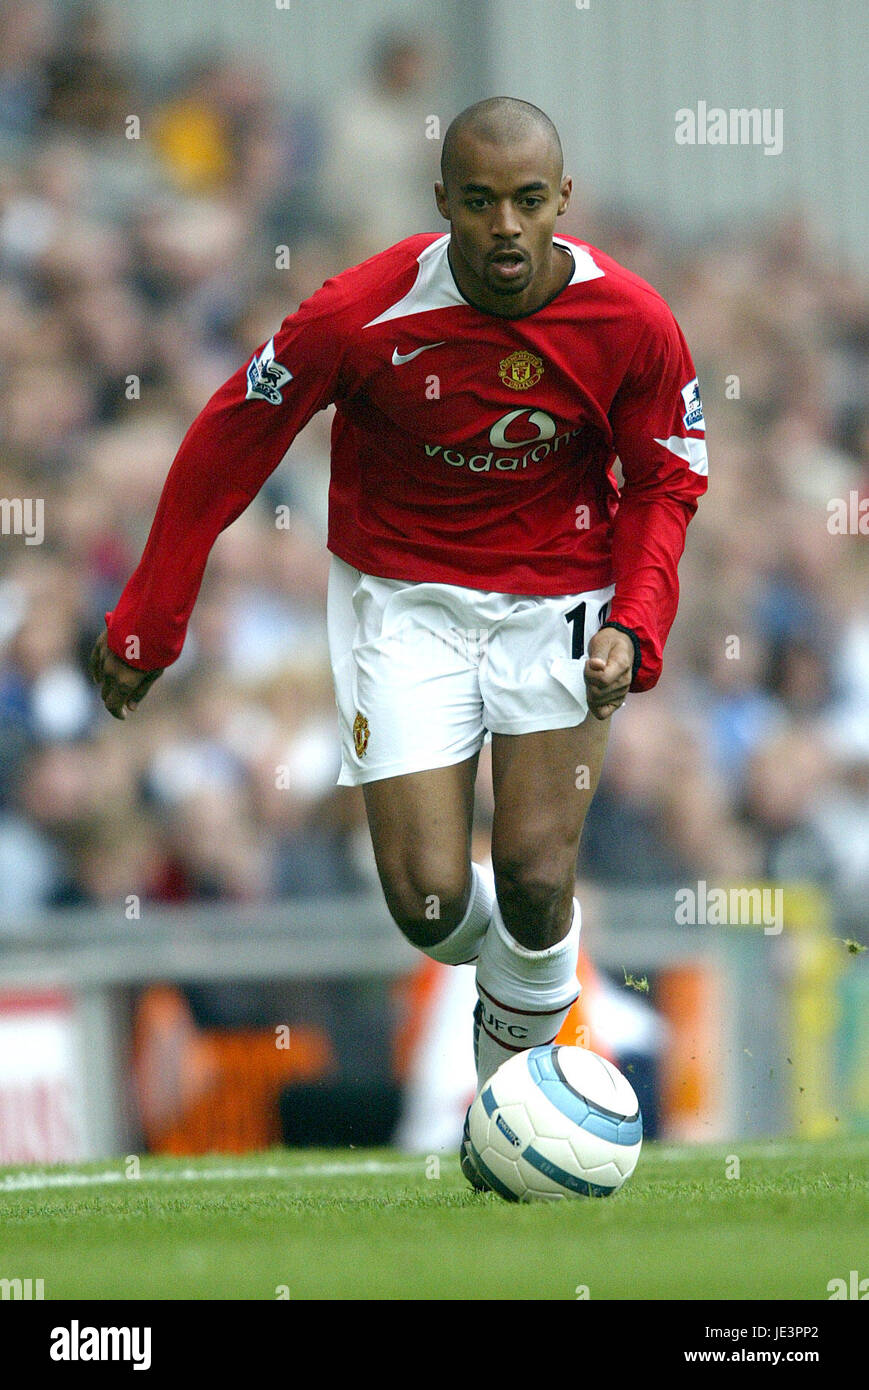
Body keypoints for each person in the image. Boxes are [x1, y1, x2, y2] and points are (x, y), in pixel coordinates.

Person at [89, 97, 708, 1189]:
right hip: (402, 597)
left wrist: (632, 623)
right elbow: (232, 436)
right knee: (427, 905)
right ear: (443, 207)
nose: (504, 226)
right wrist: (151, 617)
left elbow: (665, 478)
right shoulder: (359, 313)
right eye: (478, 203)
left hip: (558, 586)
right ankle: (546, 987)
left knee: (528, 869)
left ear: (562, 203)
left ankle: (510, 1118)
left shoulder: (634, 324)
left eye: (525, 201)